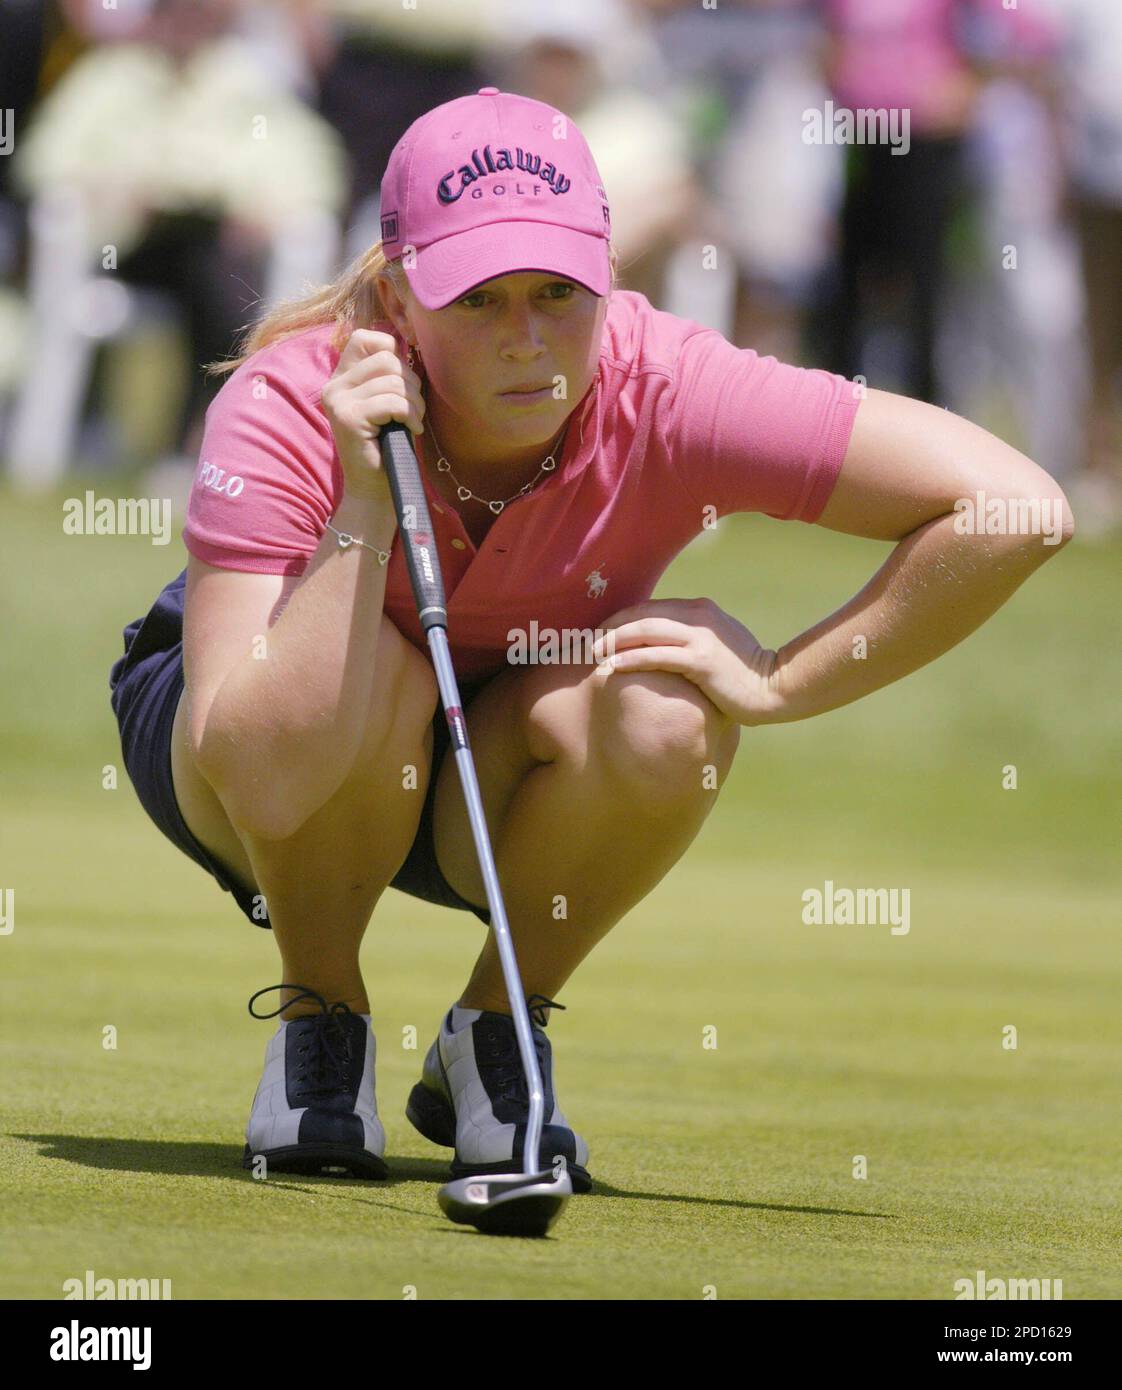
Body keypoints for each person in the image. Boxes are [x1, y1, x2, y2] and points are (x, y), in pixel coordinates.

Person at [108, 87, 1073, 1191]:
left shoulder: (666, 381)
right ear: (395, 297)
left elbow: (1018, 507)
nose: (528, 342)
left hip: (496, 758)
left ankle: (494, 1029)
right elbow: (262, 780)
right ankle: (323, 1016)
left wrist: (782, 680)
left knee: (666, 703)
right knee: (386, 672)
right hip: (248, 745)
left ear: (610, 277)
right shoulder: (292, 400)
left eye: (560, 293)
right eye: (477, 299)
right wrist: (367, 504)